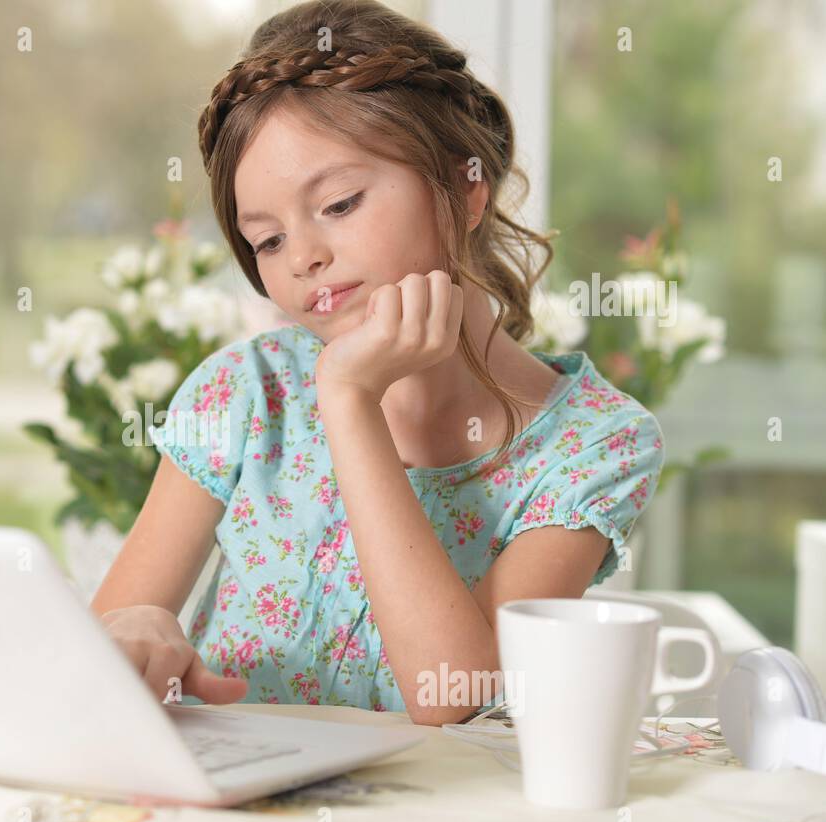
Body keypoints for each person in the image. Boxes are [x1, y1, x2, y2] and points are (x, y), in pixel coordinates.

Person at [91, 0, 663, 725]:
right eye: (266, 241)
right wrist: (134, 634)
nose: (303, 257)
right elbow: (95, 662)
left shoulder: (593, 444)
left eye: (339, 203)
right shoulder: (244, 394)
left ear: (465, 187)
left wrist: (350, 401)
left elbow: (448, 695)